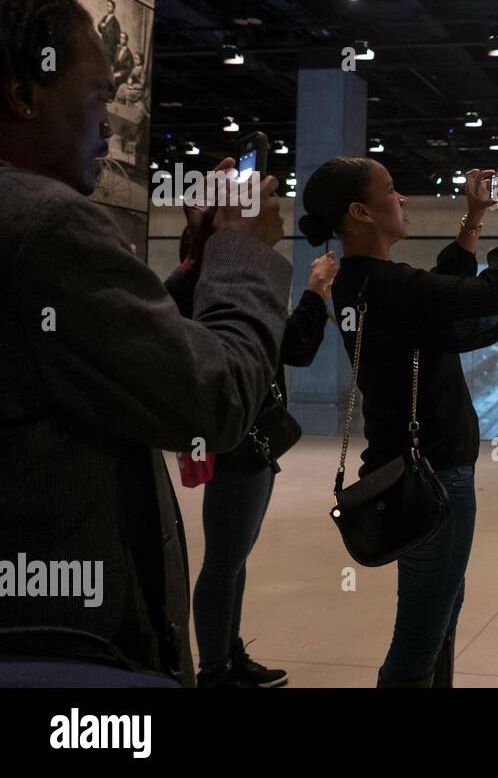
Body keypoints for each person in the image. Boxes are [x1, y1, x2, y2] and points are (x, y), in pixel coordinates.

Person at [0, 0, 291, 686]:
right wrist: (242, 258)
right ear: (25, 91)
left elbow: (83, 351)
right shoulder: (44, 223)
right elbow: (211, 399)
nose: (111, 121)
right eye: (100, 96)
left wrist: (195, 273)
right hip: (72, 654)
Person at [298, 157, 498, 688]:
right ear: (360, 211)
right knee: (418, 645)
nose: (402, 198)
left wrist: (473, 219)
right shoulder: (385, 285)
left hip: (412, 473)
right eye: (391, 188)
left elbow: (434, 304)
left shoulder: (361, 282)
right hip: (436, 480)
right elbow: (495, 301)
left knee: (438, 622)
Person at [168, 207, 339, 687]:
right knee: (224, 561)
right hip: (237, 442)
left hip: (251, 439)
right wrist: (315, 290)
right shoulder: (210, 294)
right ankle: (216, 671)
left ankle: (227, 654)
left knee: (233, 558)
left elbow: (288, 348)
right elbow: (297, 347)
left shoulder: (221, 290)